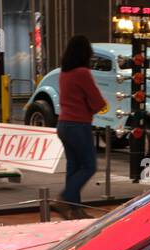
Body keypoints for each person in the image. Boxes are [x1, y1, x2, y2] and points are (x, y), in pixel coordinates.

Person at [55, 35, 106, 218]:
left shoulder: (64, 72)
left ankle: (75, 210)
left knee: (74, 167)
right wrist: (91, 107)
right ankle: (64, 199)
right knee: (88, 166)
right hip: (79, 124)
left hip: (63, 124)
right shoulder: (83, 73)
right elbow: (98, 102)